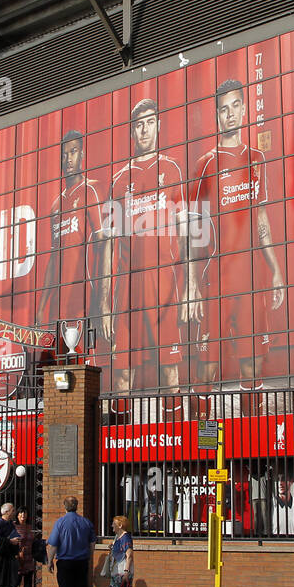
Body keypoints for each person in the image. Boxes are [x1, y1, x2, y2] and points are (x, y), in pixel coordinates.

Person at [188, 79, 285, 392]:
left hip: (251, 277)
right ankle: (203, 441)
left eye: (234, 106)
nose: (229, 114)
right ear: (216, 115)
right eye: (222, 109)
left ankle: (251, 437)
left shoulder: (256, 158)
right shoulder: (206, 164)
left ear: (244, 108)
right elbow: (194, 227)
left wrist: (275, 270)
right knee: (207, 368)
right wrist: (192, 282)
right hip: (217, 276)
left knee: (252, 365)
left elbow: (261, 219)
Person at [101, 98, 194, 408]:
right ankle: (116, 451)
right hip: (128, 292)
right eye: (138, 124)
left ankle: (181, 449)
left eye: (149, 122)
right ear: (132, 130)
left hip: (164, 285)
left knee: (171, 371)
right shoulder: (118, 181)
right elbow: (110, 245)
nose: (144, 129)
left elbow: (186, 234)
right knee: (123, 374)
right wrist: (105, 304)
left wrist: (188, 286)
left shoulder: (172, 169)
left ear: (158, 125)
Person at [36, 130, 104, 335]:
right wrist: (41, 307)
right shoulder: (55, 205)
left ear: (82, 155)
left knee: (79, 363)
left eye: (73, 152)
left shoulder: (91, 191)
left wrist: (101, 297)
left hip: (81, 299)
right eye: (64, 155)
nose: (68, 159)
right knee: (54, 364)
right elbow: (53, 258)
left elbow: (103, 246)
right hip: (57, 305)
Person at [45, 495, 96, 587]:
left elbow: (54, 545)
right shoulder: (86, 522)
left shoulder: (60, 523)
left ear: (64, 506)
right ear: (77, 506)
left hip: (66, 562)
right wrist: (89, 558)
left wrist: (49, 561)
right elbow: (92, 543)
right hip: (82, 562)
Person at [94, 515, 135, 587]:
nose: (112, 525)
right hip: (117, 572)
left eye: (114, 523)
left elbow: (129, 555)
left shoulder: (125, 538)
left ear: (120, 525)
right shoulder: (118, 537)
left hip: (122, 572)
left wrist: (126, 572)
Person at [14, 507, 38, 587]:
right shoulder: (14, 527)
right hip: (19, 558)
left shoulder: (29, 527)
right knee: (15, 582)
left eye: (25, 513)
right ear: (17, 515)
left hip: (29, 557)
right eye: (21, 513)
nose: (23, 515)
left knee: (28, 583)